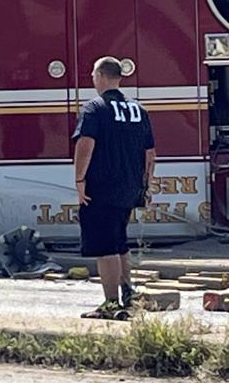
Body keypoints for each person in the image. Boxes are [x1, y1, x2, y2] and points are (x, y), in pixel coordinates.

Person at [73, 56, 156, 320]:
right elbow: (150, 152)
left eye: (93, 75)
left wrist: (79, 180)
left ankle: (110, 305)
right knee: (120, 242)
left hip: (102, 186)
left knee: (105, 245)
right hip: (129, 187)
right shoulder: (137, 110)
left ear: (100, 76)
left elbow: (86, 144)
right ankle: (128, 294)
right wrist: (145, 184)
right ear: (119, 78)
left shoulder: (94, 108)